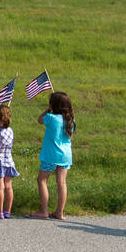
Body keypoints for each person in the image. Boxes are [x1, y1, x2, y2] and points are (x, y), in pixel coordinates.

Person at [32, 91, 74, 220]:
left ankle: (43, 211)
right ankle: (59, 212)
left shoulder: (50, 118)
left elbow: (39, 120)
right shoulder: (70, 120)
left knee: (42, 180)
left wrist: (47, 110)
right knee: (61, 183)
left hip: (51, 155)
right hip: (65, 156)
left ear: (53, 105)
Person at [0, 104, 19, 219]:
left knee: (0, 187)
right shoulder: (10, 130)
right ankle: (8, 211)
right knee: (8, 186)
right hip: (9, 160)